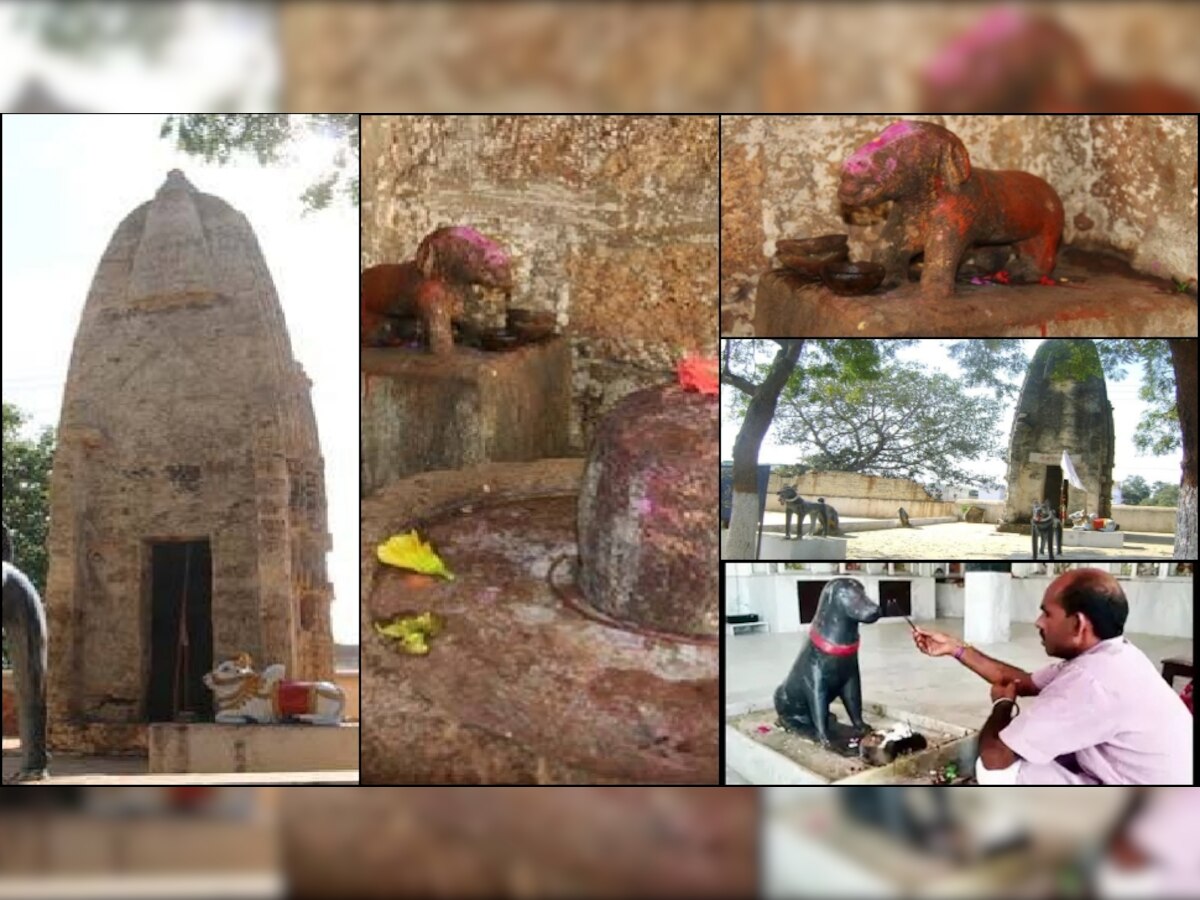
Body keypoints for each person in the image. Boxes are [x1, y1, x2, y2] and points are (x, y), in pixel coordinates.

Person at [912, 569, 1193, 785]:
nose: (1038, 622)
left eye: (1047, 613)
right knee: (1042, 745)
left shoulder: (1090, 681)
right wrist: (954, 647)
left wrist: (1002, 706)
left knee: (997, 771)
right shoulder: (1112, 654)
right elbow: (1022, 681)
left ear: (1079, 624)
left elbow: (995, 758)